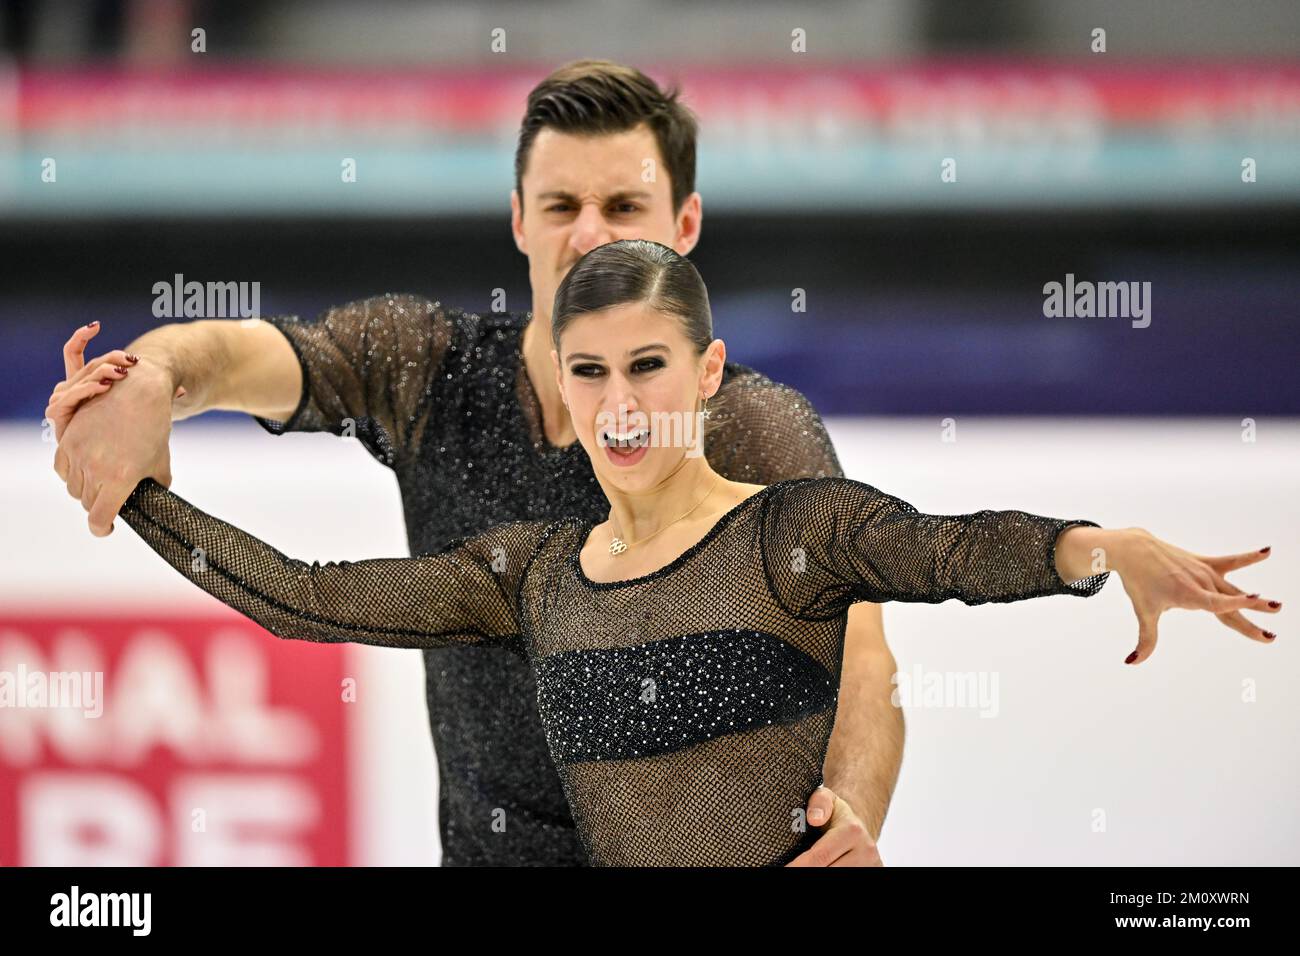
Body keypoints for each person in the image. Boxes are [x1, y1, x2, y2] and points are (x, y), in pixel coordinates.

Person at [56, 239, 1280, 867]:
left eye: (648, 365)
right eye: (589, 372)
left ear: (704, 372)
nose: (619, 402)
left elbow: (954, 549)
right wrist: (142, 494)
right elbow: (306, 602)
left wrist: (1097, 548)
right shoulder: (531, 574)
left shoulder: (793, 532)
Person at [47, 61, 899, 866]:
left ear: (684, 226)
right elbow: (240, 359)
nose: (589, 236)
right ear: (520, 219)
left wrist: (850, 809)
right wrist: (152, 377)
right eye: (562, 205)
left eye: (625, 207)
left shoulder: (748, 428)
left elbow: (861, 659)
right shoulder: (431, 369)